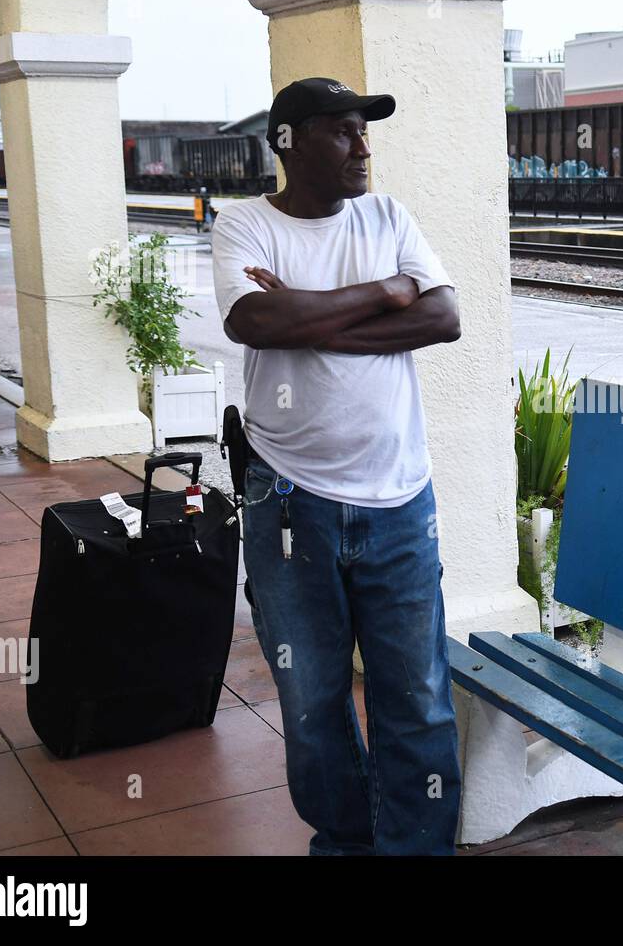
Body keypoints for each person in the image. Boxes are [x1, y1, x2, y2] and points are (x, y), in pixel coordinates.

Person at [211, 77, 463, 856]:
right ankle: (348, 844)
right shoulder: (243, 226)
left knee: (417, 696)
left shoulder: (388, 216)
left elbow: (443, 316)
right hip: (288, 502)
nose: (363, 147)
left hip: (400, 500)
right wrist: (384, 292)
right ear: (288, 142)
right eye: (343, 132)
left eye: (365, 131)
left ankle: (415, 849)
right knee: (313, 700)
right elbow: (255, 318)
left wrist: (315, 319)